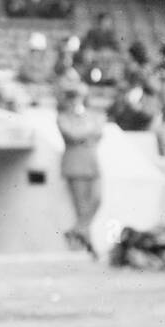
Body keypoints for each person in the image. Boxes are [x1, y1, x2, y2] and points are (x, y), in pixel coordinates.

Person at [56, 76, 104, 256]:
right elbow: (73, 135)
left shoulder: (87, 115)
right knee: (82, 207)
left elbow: (99, 131)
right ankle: (90, 248)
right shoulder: (63, 117)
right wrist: (88, 132)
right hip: (75, 165)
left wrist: (86, 131)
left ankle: (76, 231)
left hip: (91, 163)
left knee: (97, 199)